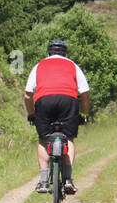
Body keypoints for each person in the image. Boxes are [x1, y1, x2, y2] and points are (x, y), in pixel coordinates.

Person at [25, 39, 91, 194]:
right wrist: (84, 114)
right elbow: (85, 93)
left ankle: (43, 181)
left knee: (43, 139)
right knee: (68, 139)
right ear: (65, 54)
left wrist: (31, 115)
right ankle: (68, 180)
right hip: (68, 101)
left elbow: (28, 95)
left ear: (48, 53)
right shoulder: (72, 65)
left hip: (44, 100)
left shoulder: (39, 65)